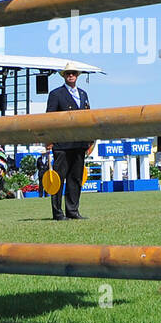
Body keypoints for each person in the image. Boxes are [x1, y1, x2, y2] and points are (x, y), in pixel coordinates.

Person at [45, 65, 91, 221]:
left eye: (73, 73)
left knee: (76, 179)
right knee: (59, 179)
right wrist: (49, 140)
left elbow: (88, 118)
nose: (71, 75)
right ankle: (57, 213)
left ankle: (73, 210)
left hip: (80, 143)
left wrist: (90, 140)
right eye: (68, 73)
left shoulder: (83, 94)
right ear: (64, 76)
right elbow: (49, 119)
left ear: (77, 76)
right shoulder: (56, 94)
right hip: (62, 144)